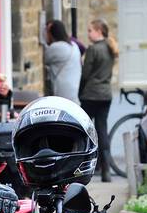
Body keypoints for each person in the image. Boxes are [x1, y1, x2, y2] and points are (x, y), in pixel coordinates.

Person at [80, 19, 117, 182]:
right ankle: (106, 170)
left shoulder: (93, 49)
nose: (88, 34)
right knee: (102, 130)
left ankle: (86, 165)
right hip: (106, 94)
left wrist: (80, 91)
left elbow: (86, 74)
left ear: (99, 31)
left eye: (90, 30)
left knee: (85, 130)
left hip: (91, 94)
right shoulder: (110, 48)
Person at [44, 20, 81, 102]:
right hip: (74, 93)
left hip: (61, 94)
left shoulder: (56, 47)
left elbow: (44, 59)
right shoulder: (74, 46)